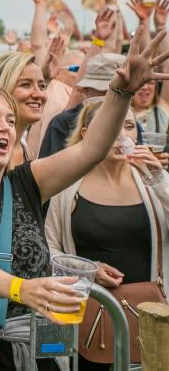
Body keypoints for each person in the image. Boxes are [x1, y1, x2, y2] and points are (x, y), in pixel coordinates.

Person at [0, 23, 169, 370]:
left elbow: (91, 150)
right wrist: (23, 289)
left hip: (36, 352)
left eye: (9, 119)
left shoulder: (27, 181)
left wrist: (119, 92)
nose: (5, 126)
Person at [45, 100, 169, 371]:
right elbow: (49, 249)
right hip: (87, 323)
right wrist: (87, 270)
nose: (121, 136)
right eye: (111, 126)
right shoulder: (67, 188)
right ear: (88, 134)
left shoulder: (153, 183)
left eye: (128, 126)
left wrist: (160, 179)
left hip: (150, 320)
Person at [38, 53, 124, 158]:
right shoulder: (64, 123)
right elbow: (50, 170)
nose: (108, 99)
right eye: (102, 92)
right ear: (85, 91)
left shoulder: (130, 122)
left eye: (117, 93)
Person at [0, 52, 46, 165]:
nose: (39, 94)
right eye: (25, 84)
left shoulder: (26, 151)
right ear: (1, 89)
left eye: (42, 86)